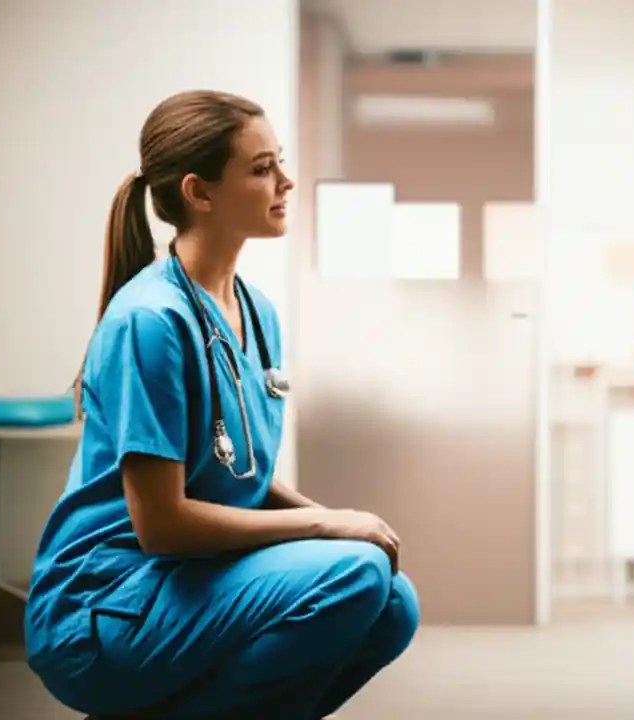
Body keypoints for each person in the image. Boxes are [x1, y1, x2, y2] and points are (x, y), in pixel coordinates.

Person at [23, 90, 420, 719]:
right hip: (106, 606)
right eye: (262, 169)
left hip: (186, 581)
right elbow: (162, 524)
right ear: (199, 193)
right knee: (356, 575)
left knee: (393, 602)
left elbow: (240, 477)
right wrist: (325, 526)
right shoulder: (150, 320)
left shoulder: (255, 311)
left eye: (280, 162)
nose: (286, 181)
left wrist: (341, 517)